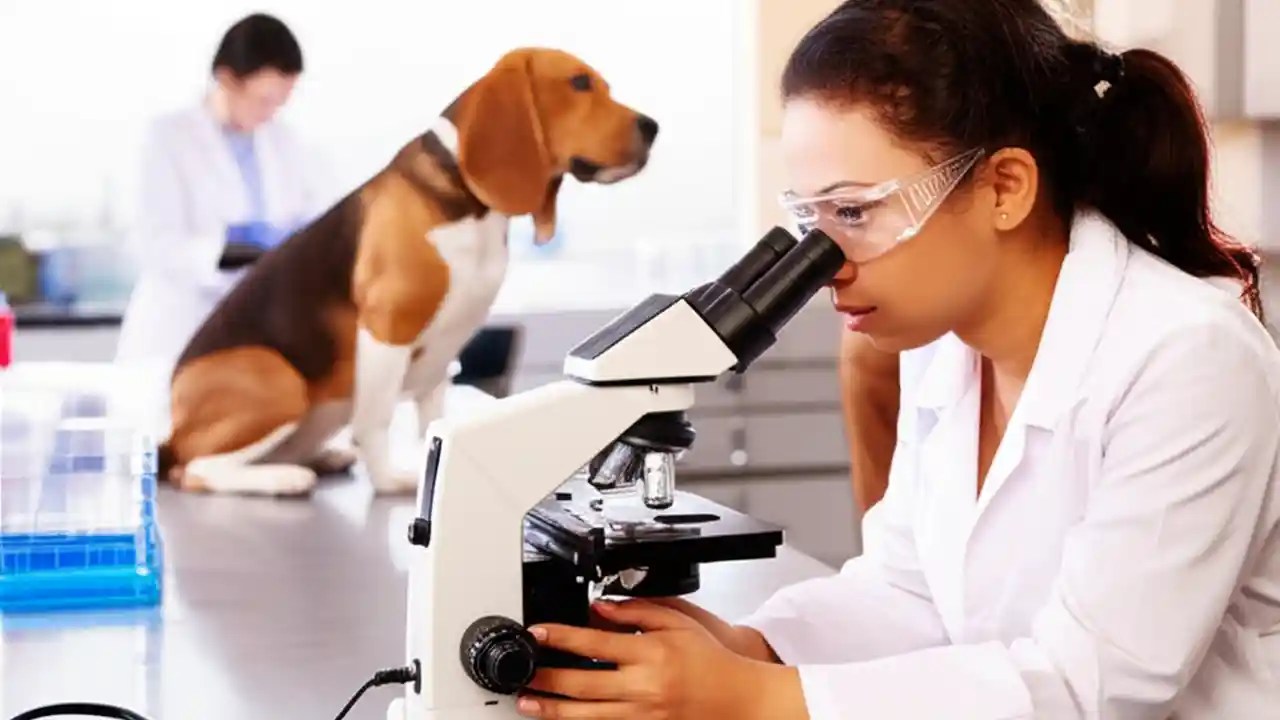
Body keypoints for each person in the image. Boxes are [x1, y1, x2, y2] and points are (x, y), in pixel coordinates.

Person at [512, 1, 1280, 718]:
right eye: (810, 220)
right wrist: (748, 648)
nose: (826, 266)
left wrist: (752, 696)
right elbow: (908, 593)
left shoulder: (1188, 356)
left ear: (1004, 187)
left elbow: (1095, 684)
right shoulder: (943, 345)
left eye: (854, 211)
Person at [115, 13, 331, 411]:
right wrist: (226, 249)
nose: (271, 113)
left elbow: (311, 216)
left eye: (281, 102)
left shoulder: (284, 142)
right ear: (227, 79)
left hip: (252, 332)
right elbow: (154, 243)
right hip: (178, 329)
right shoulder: (168, 138)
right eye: (263, 100)